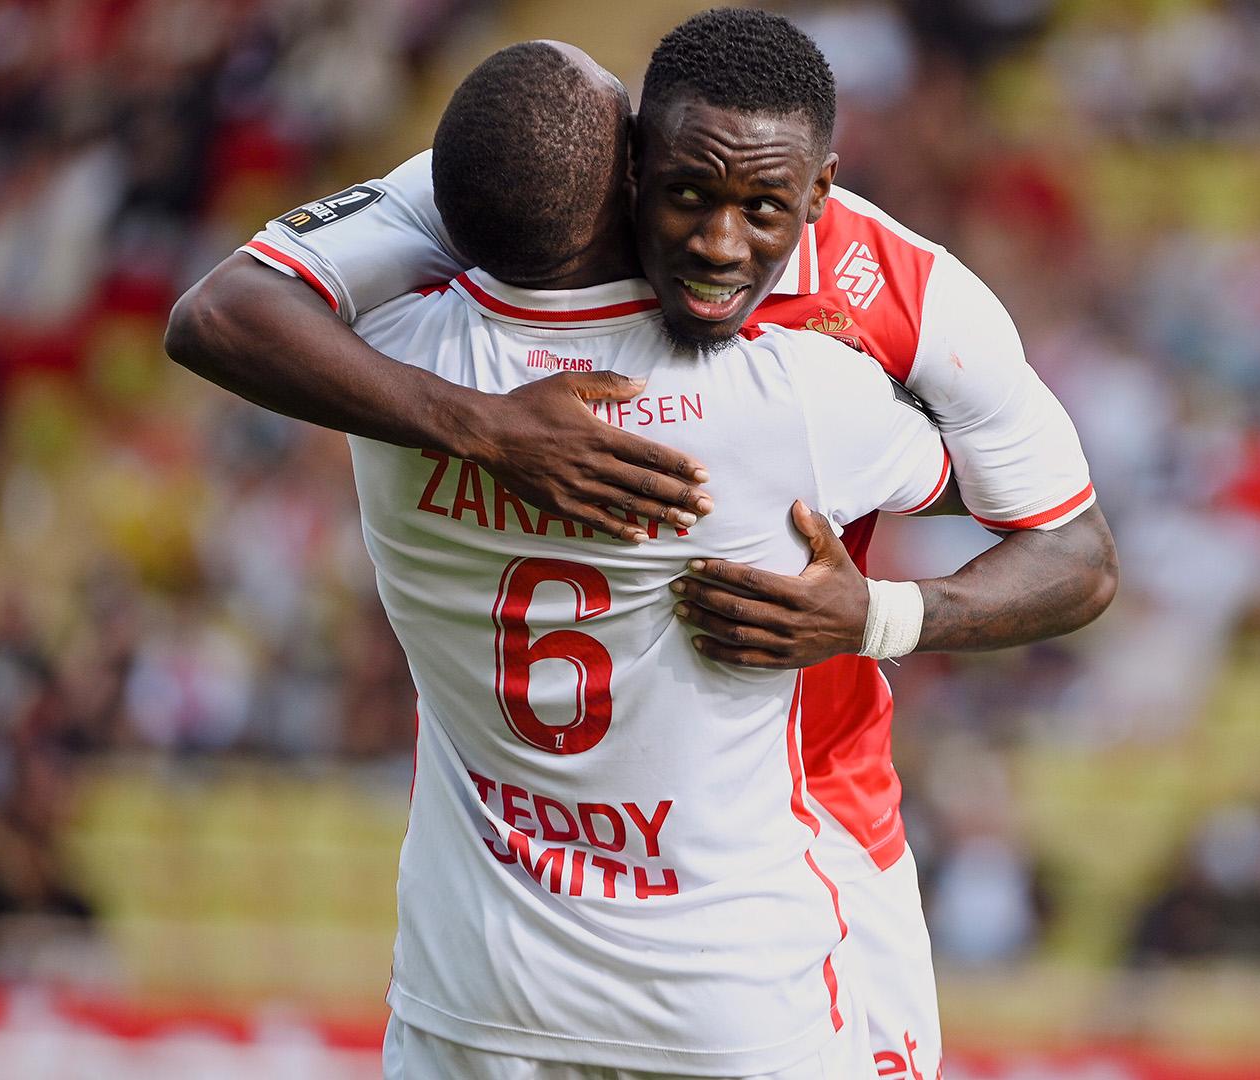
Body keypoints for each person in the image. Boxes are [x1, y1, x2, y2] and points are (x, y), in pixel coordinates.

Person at [165, 10, 1117, 1077]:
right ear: (627, 169)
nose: (719, 244)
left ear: (822, 187)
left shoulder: (396, 345)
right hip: (728, 966)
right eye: (687, 197)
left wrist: (881, 617)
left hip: (792, 834)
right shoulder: (799, 403)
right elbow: (1008, 506)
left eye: (763, 208)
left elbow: (232, 313)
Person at [329, 40, 951, 1077]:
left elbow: (255, 310)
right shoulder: (791, 401)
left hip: (471, 996)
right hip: (724, 999)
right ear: (628, 181)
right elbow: (984, 479)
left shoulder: (382, 365)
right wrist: (878, 614)